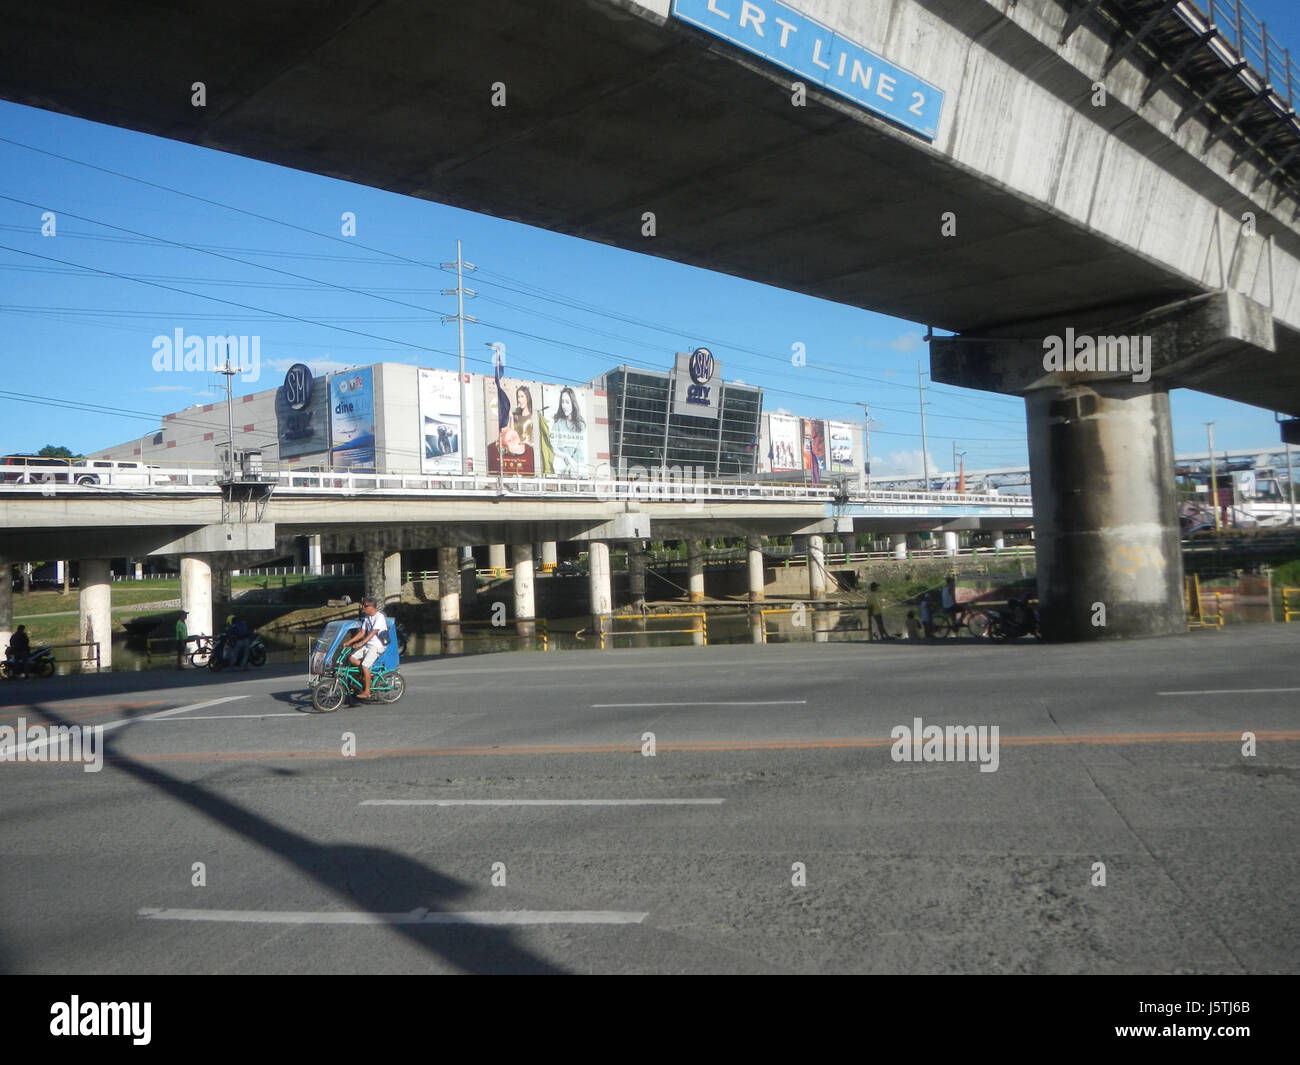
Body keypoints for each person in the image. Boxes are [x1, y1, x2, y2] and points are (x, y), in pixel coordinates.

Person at [342, 597, 389, 700]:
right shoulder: (367, 617)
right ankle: (367, 674)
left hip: (377, 646)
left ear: (371, 607)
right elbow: (362, 632)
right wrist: (349, 642)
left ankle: (367, 691)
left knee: (365, 665)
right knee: (351, 658)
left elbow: (373, 633)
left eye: (365, 606)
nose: (364, 608)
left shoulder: (379, 617)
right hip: (368, 645)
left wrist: (361, 642)